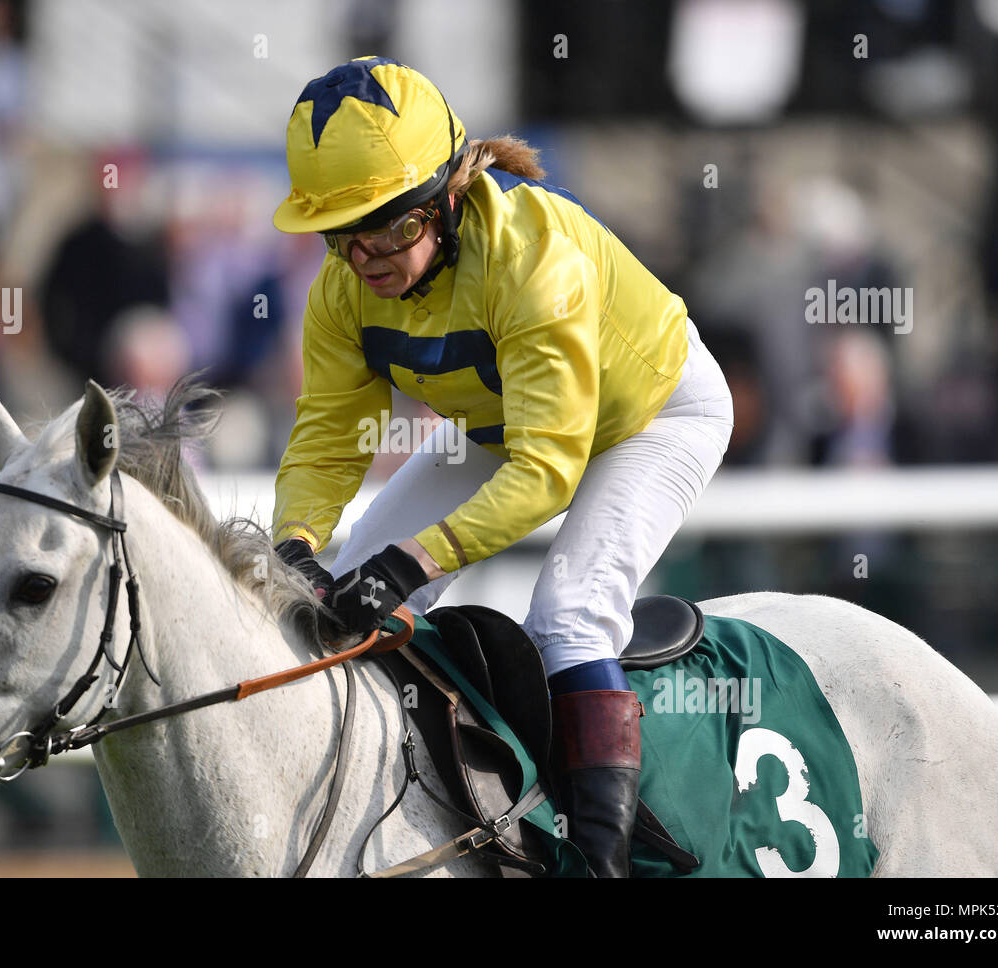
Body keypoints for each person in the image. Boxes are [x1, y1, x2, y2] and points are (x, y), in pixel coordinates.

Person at [270, 57, 733, 877]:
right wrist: (295, 544)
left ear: (448, 196)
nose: (368, 257)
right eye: (344, 234)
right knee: (339, 596)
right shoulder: (341, 293)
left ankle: (600, 861)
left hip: (652, 418)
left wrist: (413, 559)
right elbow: (332, 437)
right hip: (500, 428)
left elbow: (550, 468)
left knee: (569, 616)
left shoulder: (533, 256)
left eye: (394, 227)